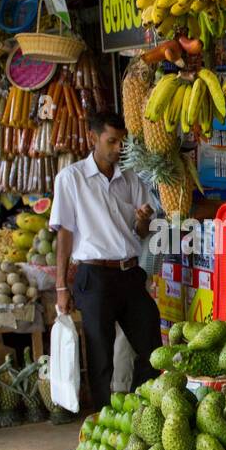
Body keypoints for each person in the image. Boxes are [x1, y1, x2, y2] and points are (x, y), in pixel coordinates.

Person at [50, 110, 160, 410]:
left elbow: (140, 232)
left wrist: (143, 219)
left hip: (130, 273)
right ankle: (101, 420)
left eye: (121, 142)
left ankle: (141, 412)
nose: (117, 148)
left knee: (151, 348)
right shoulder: (71, 180)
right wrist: (61, 286)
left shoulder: (131, 179)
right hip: (93, 276)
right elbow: (65, 235)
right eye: (111, 141)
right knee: (100, 357)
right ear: (93, 138)